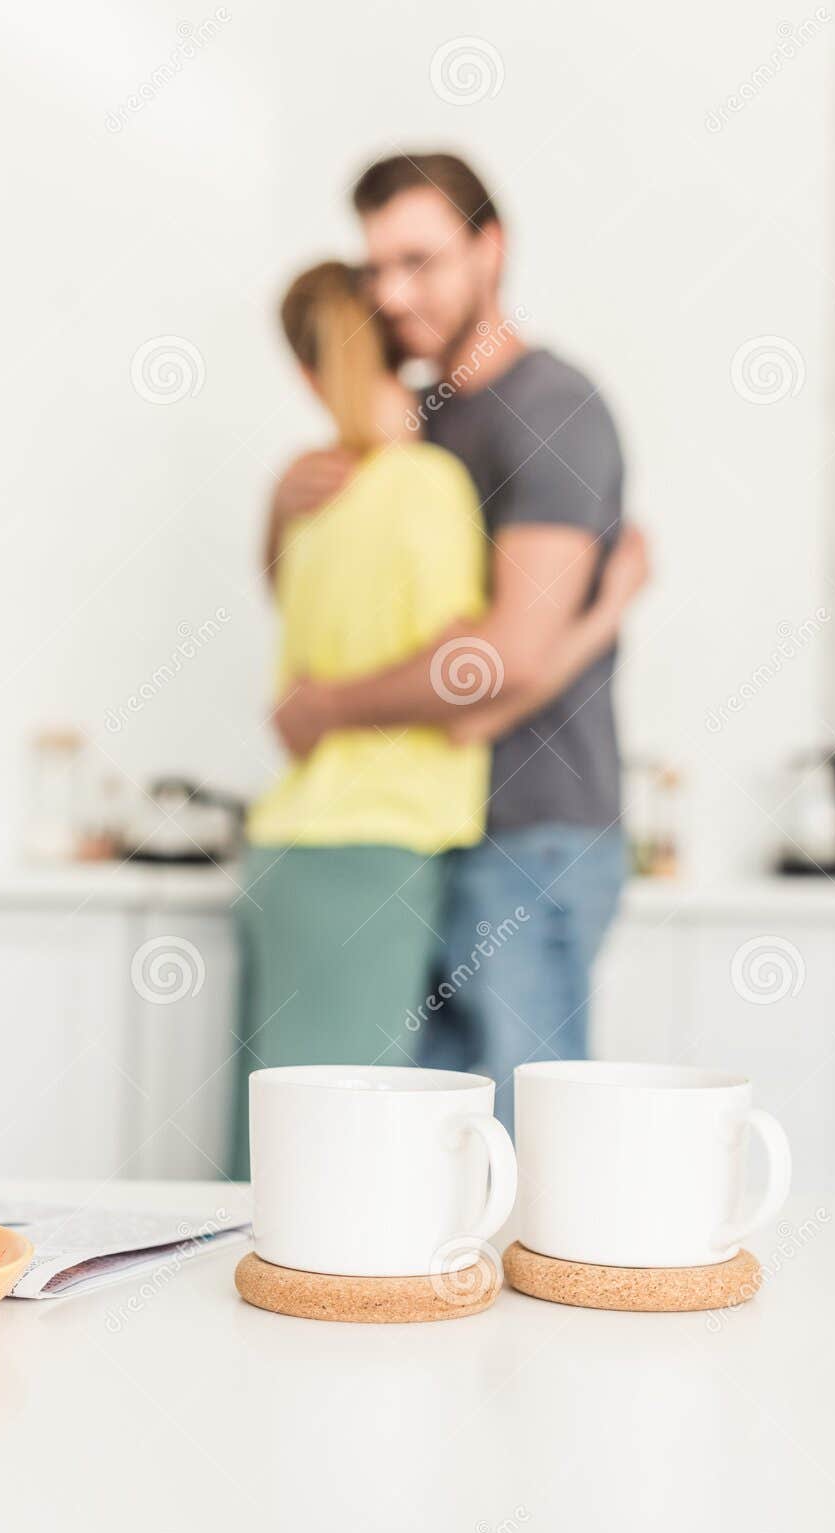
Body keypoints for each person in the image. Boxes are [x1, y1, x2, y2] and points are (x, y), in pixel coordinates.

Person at [233, 257, 645, 1171]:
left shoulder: (318, 498)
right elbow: (481, 683)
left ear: (310, 371)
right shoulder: (425, 487)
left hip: (311, 846)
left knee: (306, 1149)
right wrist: (605, 612)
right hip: (379, 847)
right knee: (362, 1157)